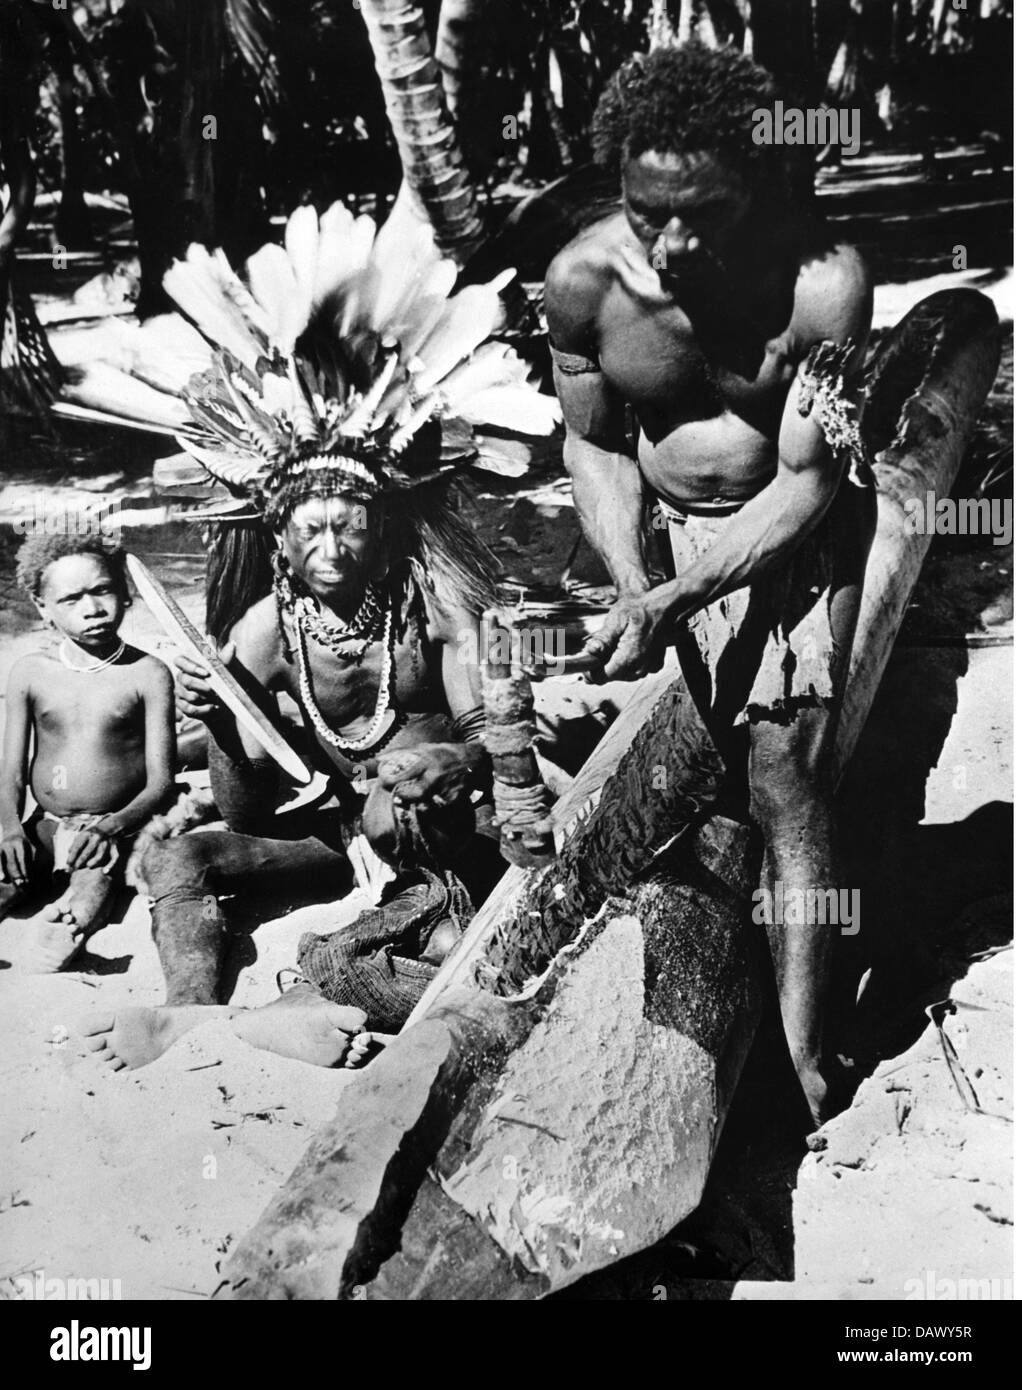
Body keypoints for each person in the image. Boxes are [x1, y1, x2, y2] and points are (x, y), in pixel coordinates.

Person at [74, 197, 558, 1070]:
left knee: (446, 922)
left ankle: (319, 986)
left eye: (349, 528)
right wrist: (223, 715)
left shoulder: (435, 604)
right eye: (309, 531)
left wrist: (456, 760)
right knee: (182, 858)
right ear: (281, 539)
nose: (329, 549)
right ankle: (192, 1010)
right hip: (340, 831)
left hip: (440, 827)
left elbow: (496, 733)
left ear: (383, 526)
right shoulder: (264, 630)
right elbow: (248, 808)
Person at [544, 43, 876, 1125]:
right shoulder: (582, 281)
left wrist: (669, 605)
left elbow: (802, 484)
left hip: (787, 545)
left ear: (755, 180)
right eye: (648, 213)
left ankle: (803, 1058)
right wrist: (637, 580)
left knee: (784, 785)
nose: (674, 243)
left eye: (704, 212)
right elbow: (591, 446)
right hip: (661, 553)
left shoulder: (820, 290)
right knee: (668, 767)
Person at [0, 533, 175, 969]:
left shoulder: (148, 674)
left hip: (110, 828)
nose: (92, 609)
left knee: (92, 887)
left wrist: (109, 830)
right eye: (71, 599)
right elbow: (11, 774)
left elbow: (162, 783)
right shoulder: (29, 673)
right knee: (6, 875)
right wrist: (8, 830)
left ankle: (63, 932)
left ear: (125, 592)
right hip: (43, 825)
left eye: (102, 590)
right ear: (43, 608)